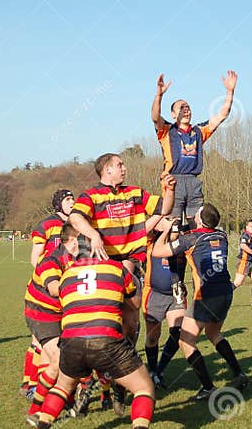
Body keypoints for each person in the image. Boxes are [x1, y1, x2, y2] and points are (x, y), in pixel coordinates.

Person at [68, 153, 175, 412]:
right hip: (102, 268)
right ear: (106, 170)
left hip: (128, 264)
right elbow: (74, 217)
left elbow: (165, 209)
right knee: (93, 328)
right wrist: (93, 234)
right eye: (119, 165)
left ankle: (118, 381)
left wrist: (169, 189)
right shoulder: (91, 195)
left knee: (130, 323)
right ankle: (85, 383)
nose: (124, 168)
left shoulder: (135, 193)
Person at [34, 239, 155, 429]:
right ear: (100, 250)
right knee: (143, 388)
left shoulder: (66, 275)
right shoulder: (116, 269)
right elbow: (135, 304)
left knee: (63, 386)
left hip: (71, 341)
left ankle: (43, 424)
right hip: (106, 340)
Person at [151, 203, 249, 400]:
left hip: (206, 295)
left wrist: (167, 230)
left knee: (186, 341)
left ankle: (208, 387)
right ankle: (239, 373)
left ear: (200, 219)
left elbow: (157, 252)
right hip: (225, 292)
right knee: (214, 334)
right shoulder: (221, 236)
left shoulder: (192, 238)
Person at [151, 71, 237, 226]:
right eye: (181, 107)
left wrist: (230, 91)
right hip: (172, 179)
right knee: (172, 225)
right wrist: (159, 95)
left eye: (188, 107)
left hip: (193, 181)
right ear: (173, 114)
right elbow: (155, 117)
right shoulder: (167, 131)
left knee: (197, 224)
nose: (186, 110)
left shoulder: (198, 131)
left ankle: (194, 249)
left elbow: (222, 115)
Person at [24, 223, 80, 424]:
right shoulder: (51, 260)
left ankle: (69, 400)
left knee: (73, 357)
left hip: (63, 313)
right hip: (40, 313)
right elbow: (55, 288)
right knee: (58, 360)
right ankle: (35, 409)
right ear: (73, 239)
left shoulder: (80, 258)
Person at [22, 190, 75, 396]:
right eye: (68, 199)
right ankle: (30, 383)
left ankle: (44, 384)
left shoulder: (76, 224)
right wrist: (48, 278)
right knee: (38, 341)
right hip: (45, 287)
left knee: (54, 342)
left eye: (73, 199)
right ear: (58, 204)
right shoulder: (46, 225)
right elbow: (34, 259)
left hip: (63, 288)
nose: (72, 202)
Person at [143, 217, 187, 390]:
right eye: (167, 222)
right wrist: (163, 222)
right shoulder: (151, 242)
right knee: (153, 337)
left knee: (178, 333)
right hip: (154, 295)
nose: (172, 226)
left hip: (175, 295)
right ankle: (152, 369)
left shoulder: (183, 245)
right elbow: (143, 231)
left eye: (174, 224)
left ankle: (159, 371)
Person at [233, 219, 252, 307]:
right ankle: (220, 296)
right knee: (237, 283)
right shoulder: (245, 235)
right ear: (246, 227)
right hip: (244, 262)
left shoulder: (251, 236)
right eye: (251, 226)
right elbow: (243, 245)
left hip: (250, 263)